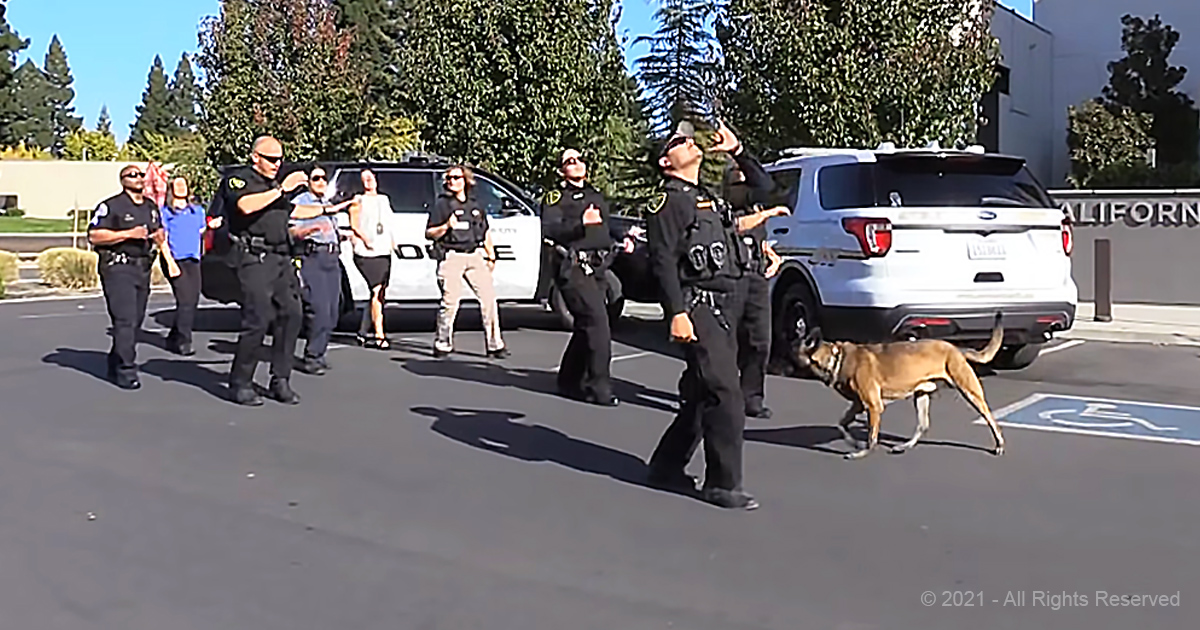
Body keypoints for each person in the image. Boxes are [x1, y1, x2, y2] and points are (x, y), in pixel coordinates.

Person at [643, 119, 774, 511]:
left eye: (689, 138)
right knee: (726, 392)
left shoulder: (709, 198)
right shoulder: (667, 202)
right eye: (679, 141)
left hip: (727, 301)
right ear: (666, 161)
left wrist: (738, 151)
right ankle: (723, 483)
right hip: (697, 304)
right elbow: (663, 261)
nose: (689, 142)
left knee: (704, 393)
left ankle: (666, 465)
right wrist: (676, 312)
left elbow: (764, 188)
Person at [221, 136, 310, 406]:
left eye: (280, 159)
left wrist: (334, 208)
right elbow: (245, 206)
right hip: (254, 256)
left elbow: (292, 211)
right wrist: (283, 188)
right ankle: (241, 382)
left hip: (280, 257)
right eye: (271, 159)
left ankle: (280, 379)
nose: (277, 164)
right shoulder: (239, 179)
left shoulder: (273, 186)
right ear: (255, 157)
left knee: (292, 314)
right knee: (258, 319)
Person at [541, 148, 618, 406]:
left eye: (579, 159)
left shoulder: (595, 195)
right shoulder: (556, 197)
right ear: (561, 170)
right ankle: (599, 386)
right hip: (573, 267)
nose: (576, 163)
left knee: (588, 324)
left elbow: (605, 228)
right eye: (569, 161)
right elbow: (550, 230)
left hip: (598, 267)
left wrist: (622, 240)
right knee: (598, 323)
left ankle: (569, 380)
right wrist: (580, 225)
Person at [87, 164, 166, 390]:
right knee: (125, 320)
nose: (139, 178)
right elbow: (94, 235)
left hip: (142, 267)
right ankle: (126, 369)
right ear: (123, 180)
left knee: (136, 321)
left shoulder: (150, 206)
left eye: (141, 174)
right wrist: (128, 234)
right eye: (132, 175)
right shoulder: (111, 206)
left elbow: (156, 230)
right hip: (118, 267)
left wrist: (158, 237)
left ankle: (116, 359)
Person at [723, 159, 788, 419]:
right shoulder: (721, 209)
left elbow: (757, 237)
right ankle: (712, 393)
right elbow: (737, 227)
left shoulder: (755, 207)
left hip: (756, 277)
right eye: (738, 183)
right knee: (725, 342)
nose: (744, 189)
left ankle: (752, 397)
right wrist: (767, 214)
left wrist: (770, 254)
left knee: (760, 339)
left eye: (746, 184)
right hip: (731, 278)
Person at [425, 164, 508, 359]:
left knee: (489, 299)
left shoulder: (475, 205)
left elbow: (485, 231)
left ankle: (495, 345)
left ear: (466, 181)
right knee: (450, 302)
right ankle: (442, 343)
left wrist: (491, 254)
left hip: (474, 255)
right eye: (449, 178)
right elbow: (429, 233)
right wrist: (446, 226)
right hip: (451, 256)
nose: (452, 181)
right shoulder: (442, 204)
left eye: (456, 177)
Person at [289, 165, 354, 374]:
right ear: (308, 181)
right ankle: (312, 357)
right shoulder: (301, 202)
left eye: (324, 178)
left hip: (332, 258)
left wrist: (342, 235)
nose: (321, 182)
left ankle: (320, 352)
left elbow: (330, 230)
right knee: (319, 309)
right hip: (312, 258)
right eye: (316, 178)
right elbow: (291, 231)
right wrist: (309, 229)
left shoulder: (327, 203)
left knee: (333, 311)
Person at [159, 176, 208, 356]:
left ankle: (173, 337)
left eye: (184, 184)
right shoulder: (165, 212)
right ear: (171, 189)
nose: (182, 187)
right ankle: (183, 341)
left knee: (192, 301)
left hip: (193, 259)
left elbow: (201, 233)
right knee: (185, 301)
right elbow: (161, 240)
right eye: (177, 184)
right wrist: (170, 263)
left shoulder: (197, 211)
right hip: (174, 259)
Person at [348, 169, 395, 349]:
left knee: (379, 293)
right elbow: (354, 225)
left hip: (384, 251)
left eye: (370, 177)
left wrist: (392, 242)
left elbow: (389, 223)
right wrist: (365, 239)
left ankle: (363, 331)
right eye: (364, 179)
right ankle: (379, 335)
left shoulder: (384, 199)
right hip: (366, 253)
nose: (368, 181)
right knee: (377, 291)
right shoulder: (358, 200)